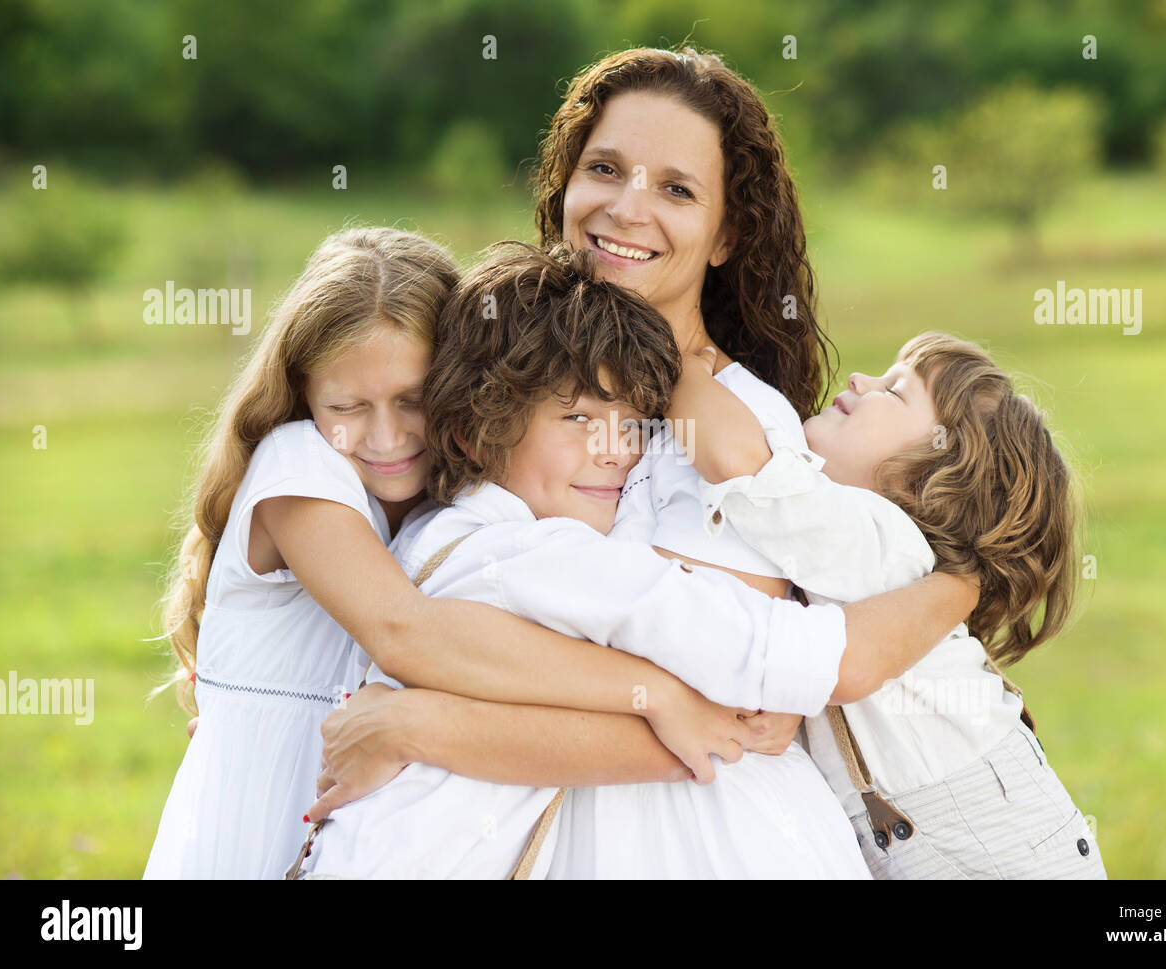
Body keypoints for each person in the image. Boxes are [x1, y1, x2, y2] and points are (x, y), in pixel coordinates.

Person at [308, 48, 979, 850]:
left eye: (676, 189)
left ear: (725, 234)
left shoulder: (738, 433)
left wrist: (422, 722)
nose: (627, 208)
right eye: (605, 168)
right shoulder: (509, 362)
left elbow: (720, 708)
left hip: (695, 837)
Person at [298, 242, 868, 878]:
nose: (615, 449)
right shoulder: (525, 556)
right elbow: (717, 633)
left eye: (633, 423)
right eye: (576, 418)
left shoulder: (430, 535)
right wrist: (955, 582)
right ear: (471, 433)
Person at [671, 330, 1108, 878]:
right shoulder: (867, 557)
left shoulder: (882, 540)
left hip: (994, 847)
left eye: (895, 390)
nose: (859, 379)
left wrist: (678, 368)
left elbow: (736, 459)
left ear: (924, 480)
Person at [145, 227, 459, 878]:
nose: (386, 435)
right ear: (302, 391)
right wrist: (650, 696)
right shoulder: (298, 466)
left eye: (414, 400)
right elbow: (405, 633)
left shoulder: (451, 506)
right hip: (253, 846)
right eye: (348, 406)